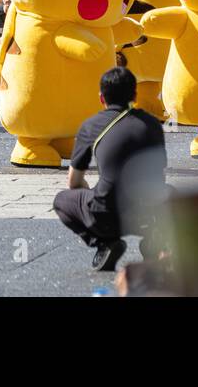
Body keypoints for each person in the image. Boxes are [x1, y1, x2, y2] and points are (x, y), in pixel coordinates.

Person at [53, 66, 167, 271]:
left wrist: (89, 193)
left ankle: (104, 243)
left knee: (61, 200)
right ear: (135, 94)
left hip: (106, 214)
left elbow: (74, 182)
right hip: (148, 213)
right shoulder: (152, 125)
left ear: (101, 98)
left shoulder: (91, 126)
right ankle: (155, 240)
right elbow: (159, 174)